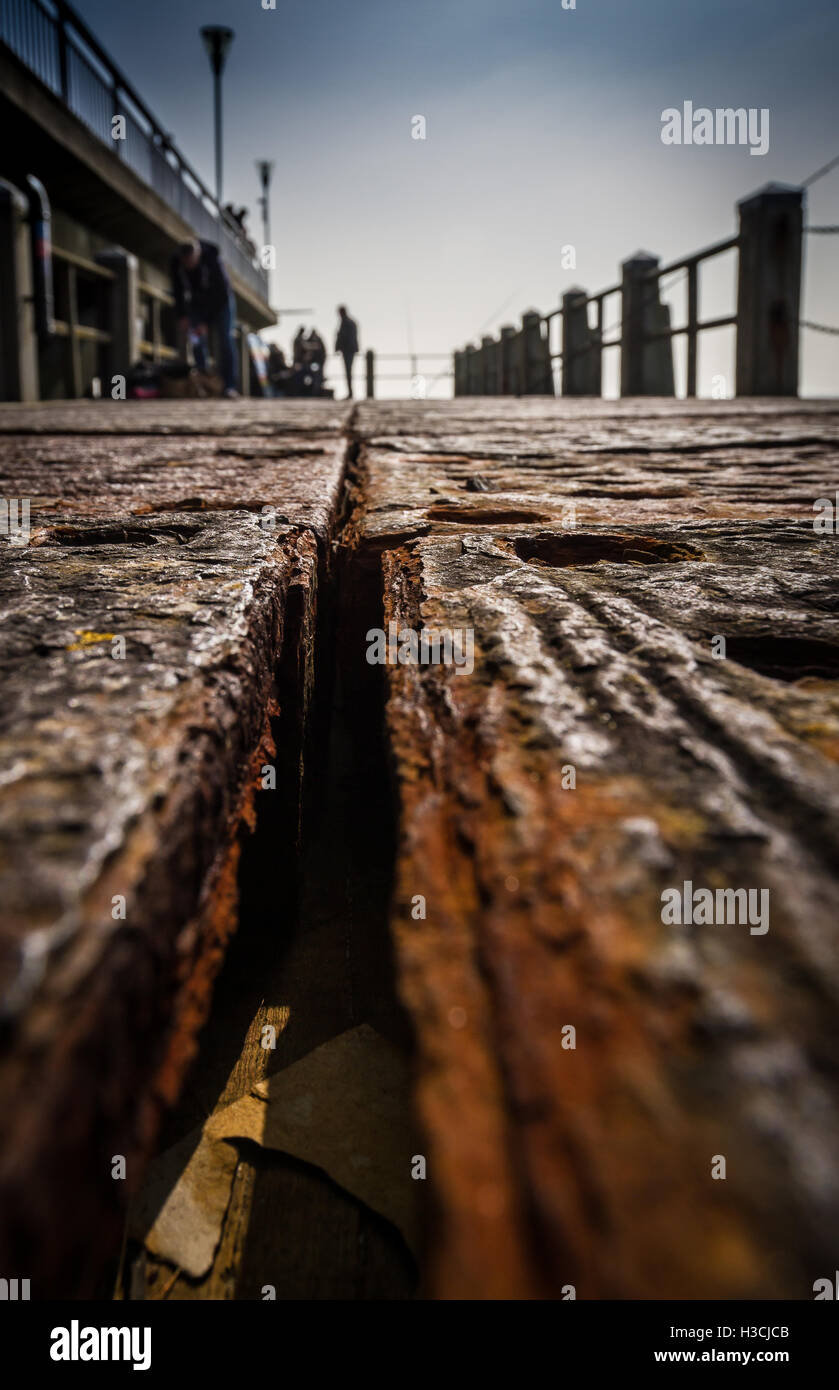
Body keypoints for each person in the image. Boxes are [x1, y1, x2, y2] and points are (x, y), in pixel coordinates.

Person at [171, 239, 238, 397]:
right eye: (185, 262)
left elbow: (220, 292)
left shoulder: (212, 258)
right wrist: (182, 316)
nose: (188, 266)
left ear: (198, 254)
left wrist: (206, 322)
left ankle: (229, 386)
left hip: (221, 302)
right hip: (197, 302)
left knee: (226, 339)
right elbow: (177, 290)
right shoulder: (175, 262)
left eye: (191, 261)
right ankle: (203, 384)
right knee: (196, 340)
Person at [335, 305, 359, 399]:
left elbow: (343, 336)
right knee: (348, 371)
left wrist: (339, 347)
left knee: (348, 371)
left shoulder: (346, 322)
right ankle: (350, 392)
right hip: (350, 350)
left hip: (348, 350)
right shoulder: (351, 322)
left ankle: (350, 393)